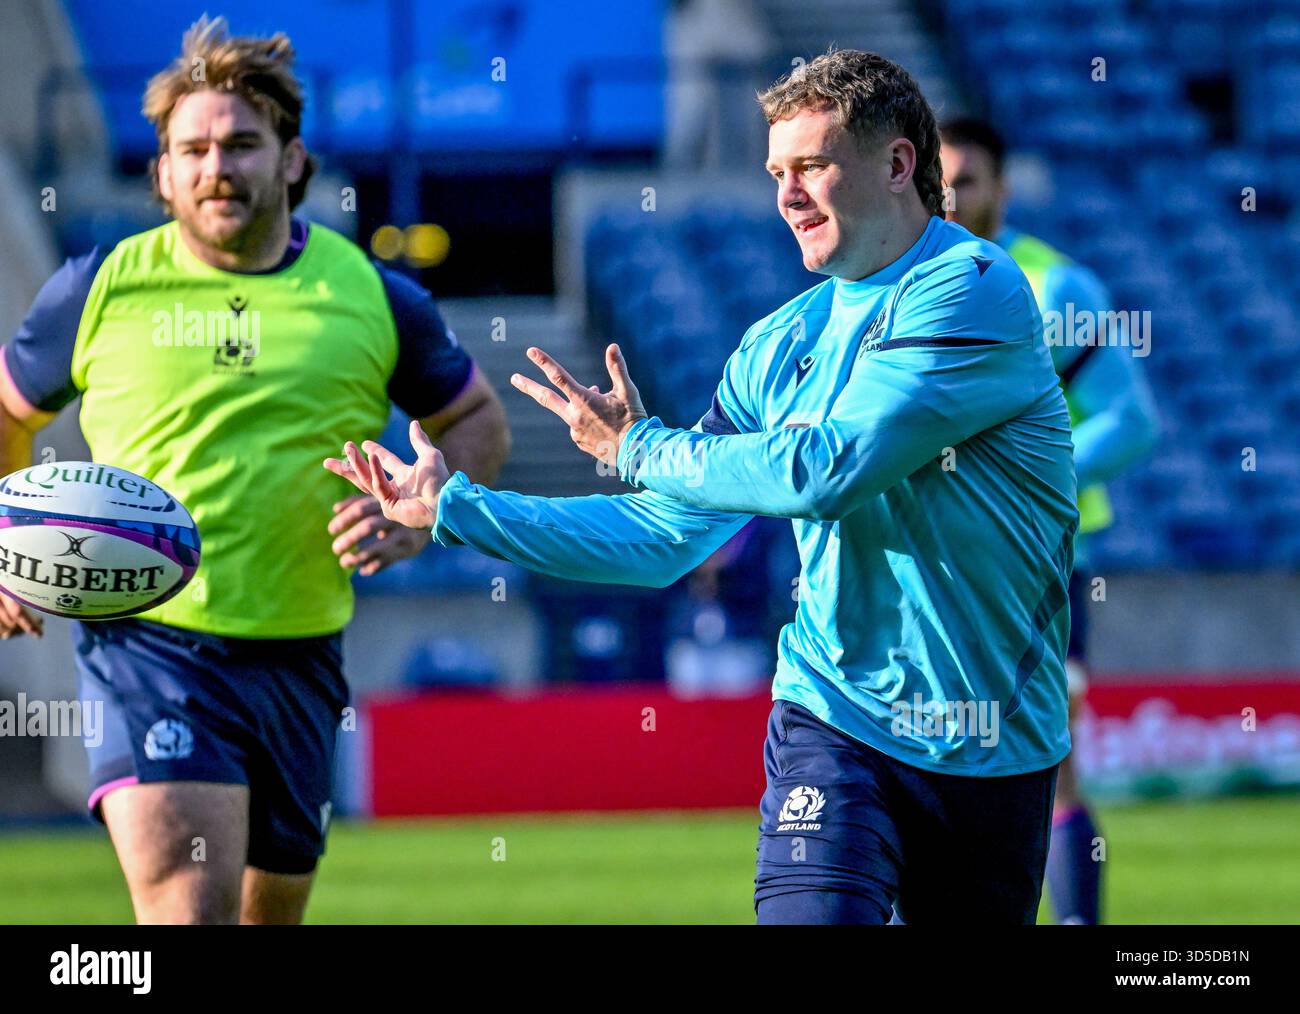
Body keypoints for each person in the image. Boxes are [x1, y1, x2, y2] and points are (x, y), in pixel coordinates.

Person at [329, 50, 1076, 925]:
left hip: (993, 740)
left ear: (899, 164)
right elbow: (663, 540)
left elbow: (827, 471)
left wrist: (641, 443)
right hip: (834, 724)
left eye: (812, 167)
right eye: (775, 173)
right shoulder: (774, 343)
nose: (787, 196)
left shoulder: (974, 287)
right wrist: (457, 507)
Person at [0, 16, 509, 924]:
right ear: (160, 171)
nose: (215, 167)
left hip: (302, 656)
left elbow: (474, 419)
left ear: (291, 161)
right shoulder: (98, 287)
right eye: (190, 148)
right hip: (147, 643)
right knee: (187, 912)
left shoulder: (374, 294)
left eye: (241, 143)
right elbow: (6, 409)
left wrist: (429, 509)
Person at [940, 116, 1160, 924]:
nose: (955, 198)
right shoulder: (893, 284)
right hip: (928, 571)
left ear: (1001, 186)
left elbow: (1132, 420)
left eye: (970, 180)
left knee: (1047, 762)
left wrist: (1027, 481)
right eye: (942, 181)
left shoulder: (1053, 289)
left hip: (1040, 568)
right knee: (922, 757)